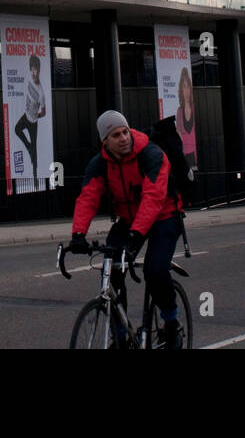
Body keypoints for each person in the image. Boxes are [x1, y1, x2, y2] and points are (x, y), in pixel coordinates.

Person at [69, 110, 185, 348]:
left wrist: (136, 235)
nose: (123, 138)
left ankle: (172, 324)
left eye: (125, 132)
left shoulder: (152, 154)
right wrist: (78, 234)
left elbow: (153, 197)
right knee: (111, 271)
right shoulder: (100, 163)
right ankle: (119, 334)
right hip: (129, 220)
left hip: (164, 215)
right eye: (115, 135)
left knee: (154, 270)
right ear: (105, 142)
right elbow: (88, 197)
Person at [14, 54, 46, 188]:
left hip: (33, 122)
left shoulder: (41, 92)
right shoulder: (29, 80)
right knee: (16, 129)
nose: (33, 72)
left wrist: (35, 116)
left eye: (35, 69)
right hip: (25, 116)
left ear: (39, 70)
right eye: (31, 69)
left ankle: (35, 179)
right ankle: (28, 146)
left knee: (35, 152)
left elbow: (44, 112)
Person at [175, 67, 198, 176]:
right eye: (184, 86)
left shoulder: (195, 108)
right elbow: (178, 134)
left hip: (195, 154)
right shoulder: (179, 112)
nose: (187, 90)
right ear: (181, 89)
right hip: (184, 155)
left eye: (188, 86)